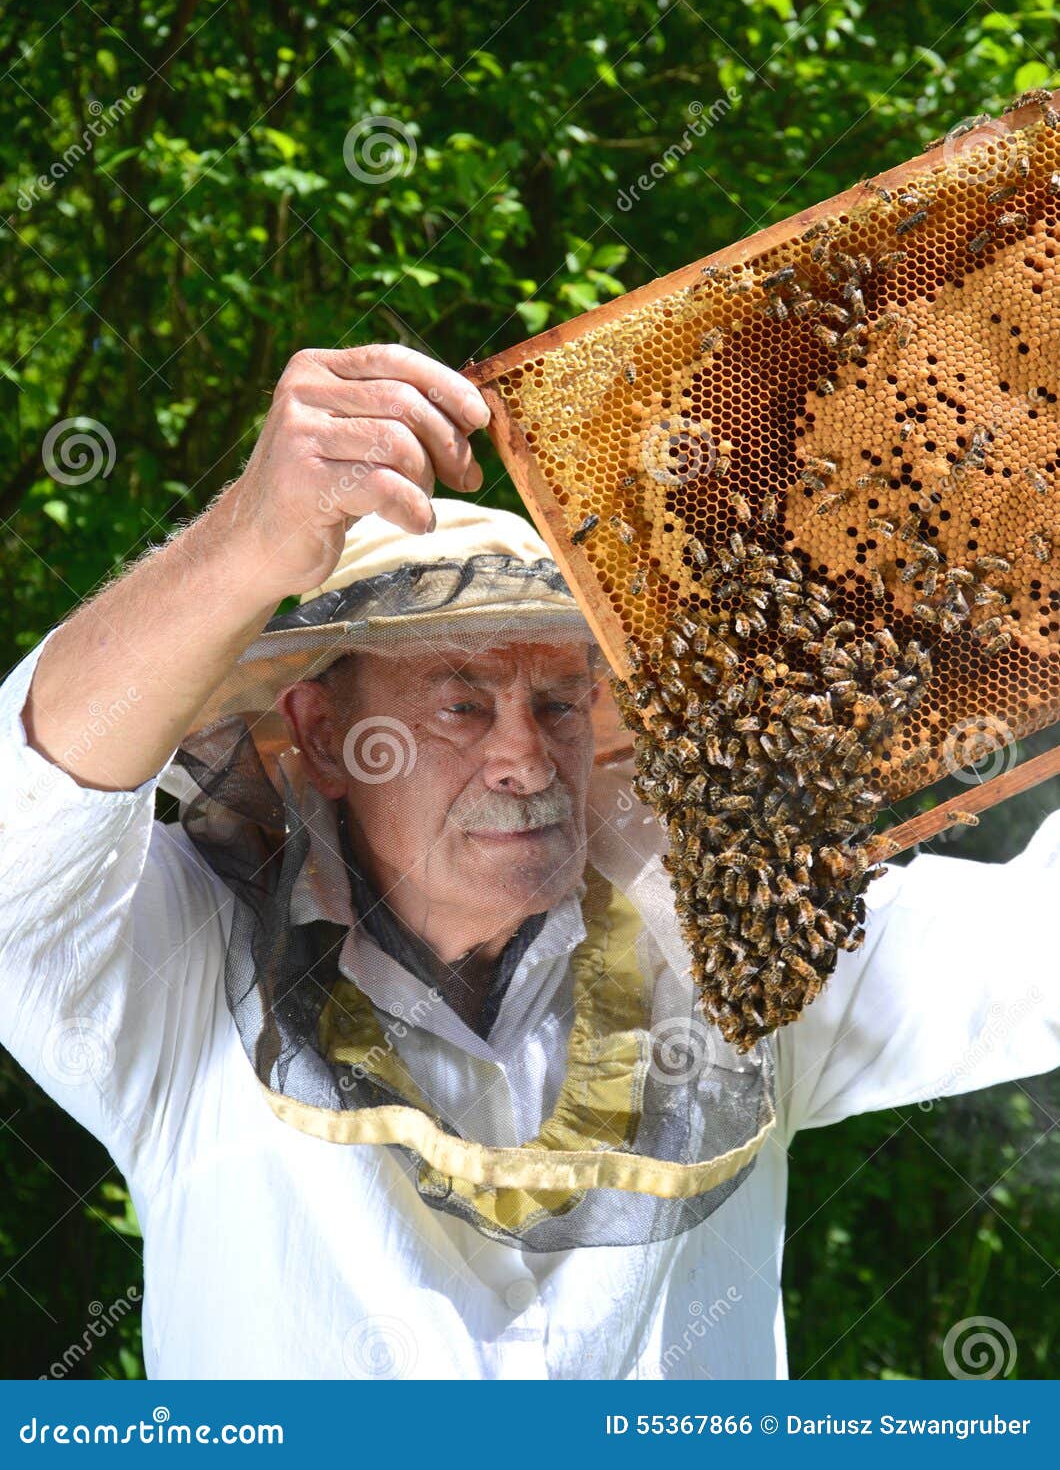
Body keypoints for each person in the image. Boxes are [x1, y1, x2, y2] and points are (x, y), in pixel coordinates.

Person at [1, 343, 1057, 1381]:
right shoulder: (176, 967)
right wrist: (248, 539)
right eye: (461, 705)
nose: (525, 757)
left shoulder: (735, 938)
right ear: (323, 735)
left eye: (557, 703)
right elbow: (25, 834)